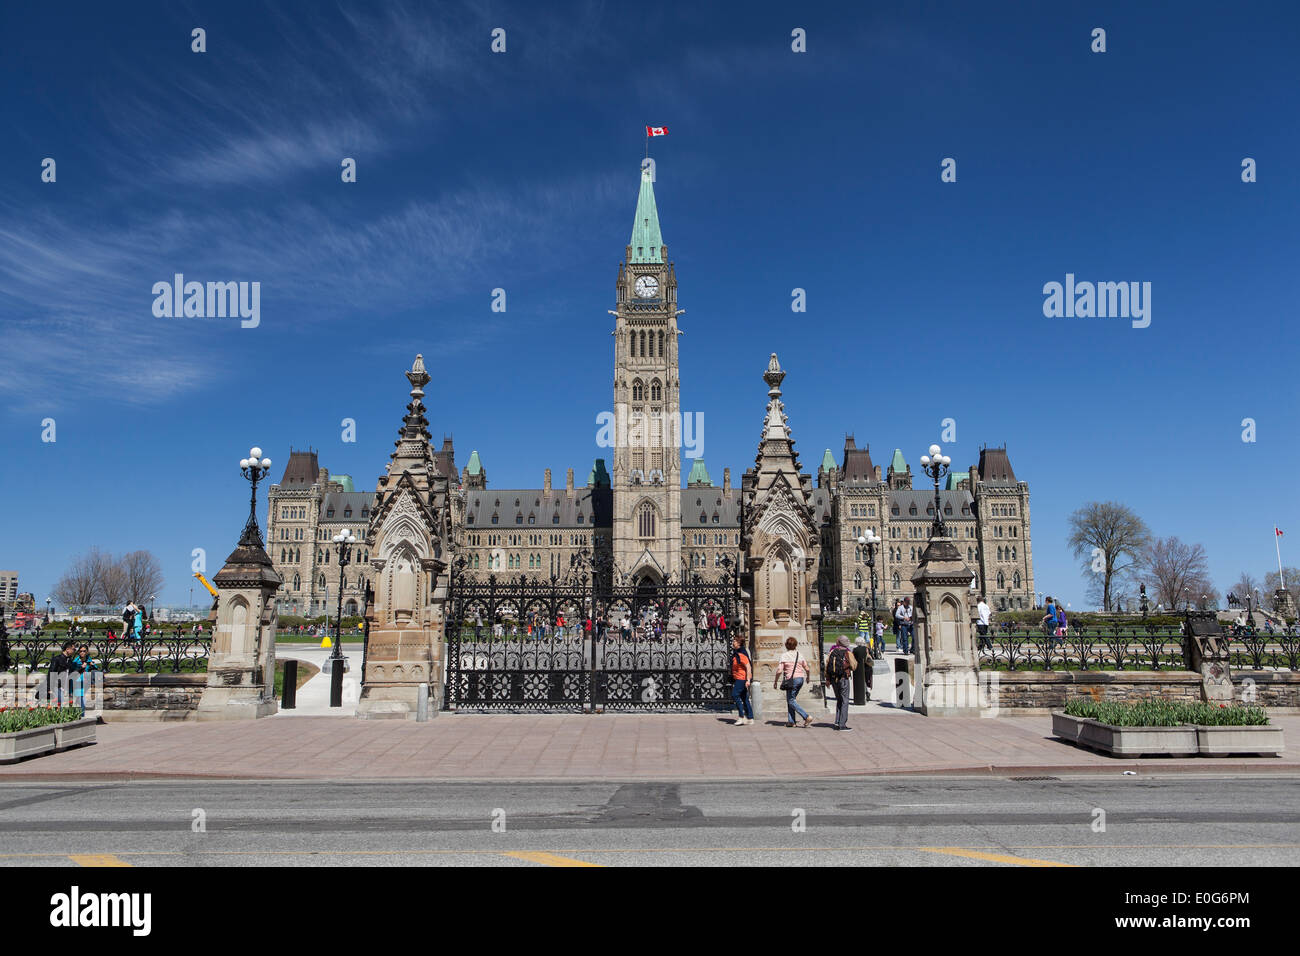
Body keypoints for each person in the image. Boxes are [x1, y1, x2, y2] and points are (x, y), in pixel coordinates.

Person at [773, 636, 812, 727]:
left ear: (786, 645)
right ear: (795, 645)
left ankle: (806, 716)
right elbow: (807, 668)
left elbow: (779, 670)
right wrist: (808, 677)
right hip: (800, 679)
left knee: (791, 700)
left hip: (791, 680)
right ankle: (791, 721)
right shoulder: (800, 655)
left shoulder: (784, 655)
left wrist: (775, 681)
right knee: (791, 699)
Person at [824, 635, 856, 731]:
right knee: (845, 700)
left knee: (839, 700)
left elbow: (827, 665)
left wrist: (828, 679)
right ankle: (842, 724)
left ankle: (837, 721)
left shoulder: (832, 652)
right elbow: (854, 666)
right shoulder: (848, 653)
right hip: (843, 678)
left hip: (834, 679)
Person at [729, 635, 754, 725]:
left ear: (739, 643)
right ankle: (750, 718)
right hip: (739, 678)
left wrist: (748, 680)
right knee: (744, 698)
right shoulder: (737, 653)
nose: (733, 642)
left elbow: (748, 667)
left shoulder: (741, 654)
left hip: (742, 678)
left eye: (734, 641)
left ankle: (741, 716)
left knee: (735, 695)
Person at [48, 640, 77, 705]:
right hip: (57, 686)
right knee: (58, 705)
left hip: (65, 687)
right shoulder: (57, 659)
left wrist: (82, 668)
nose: (74, 651)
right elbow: (51, 673)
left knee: (63, 706)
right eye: (73, 649)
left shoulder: (69, 660)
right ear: (67, 649)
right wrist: (50, 688)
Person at [852, 635, 872, 703]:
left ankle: (861, 694)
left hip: (859, 668)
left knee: (860, 681)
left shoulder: (855, 650)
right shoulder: (867, 649)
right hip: (867, 667)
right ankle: (868, 692)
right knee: (868, 680)